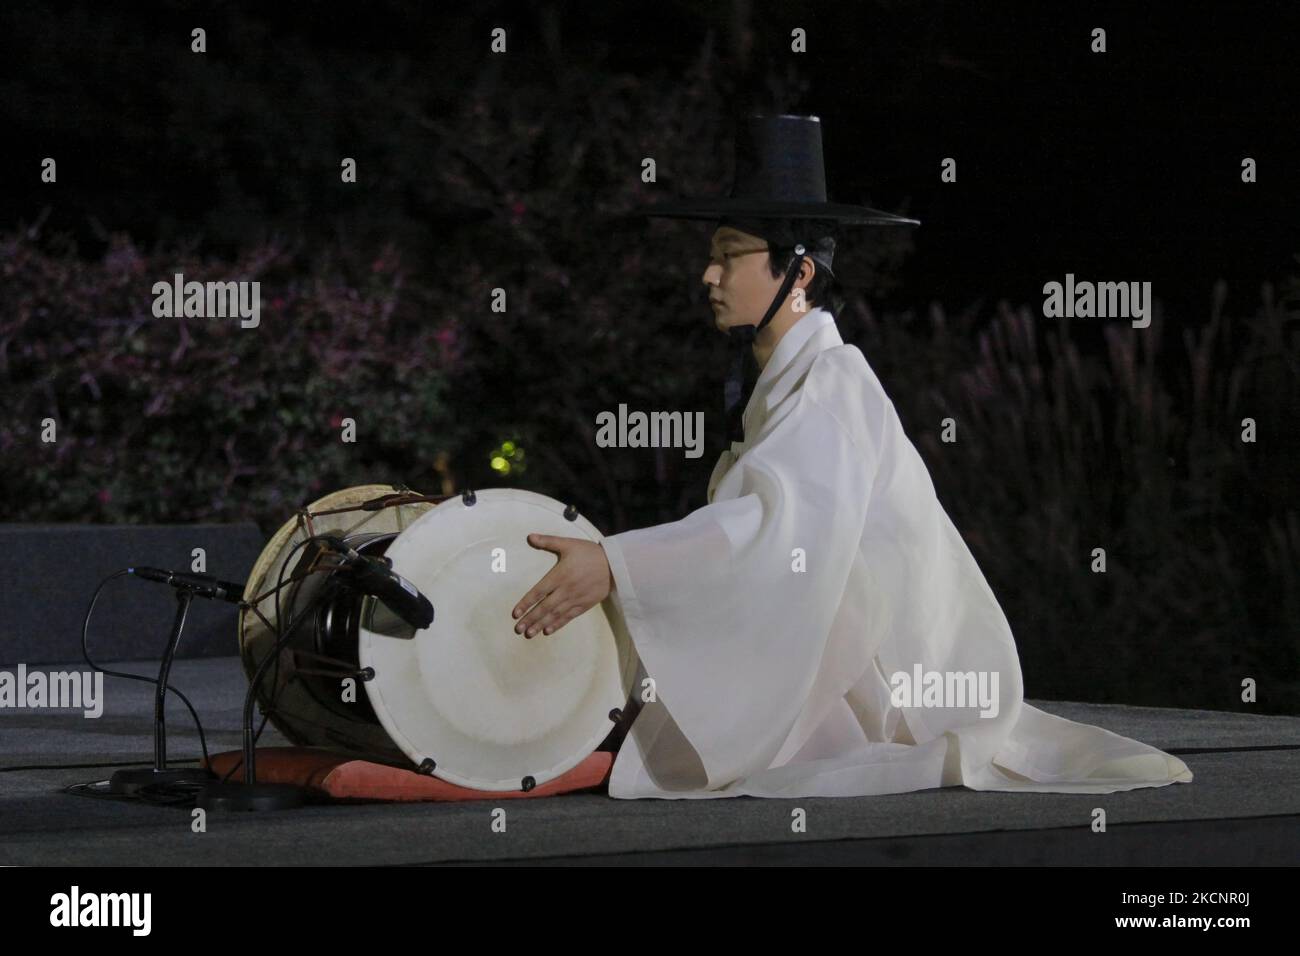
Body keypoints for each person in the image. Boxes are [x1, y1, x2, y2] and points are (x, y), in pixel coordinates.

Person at [511, 114, 1193, 799]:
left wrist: (615, 565)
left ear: (799, 272)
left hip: (876, 678)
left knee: (693, 756)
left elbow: (769, 528)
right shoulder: (791, 380)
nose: (708, 274)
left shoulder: (833, 386)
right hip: (835, 650)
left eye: (731, 253)